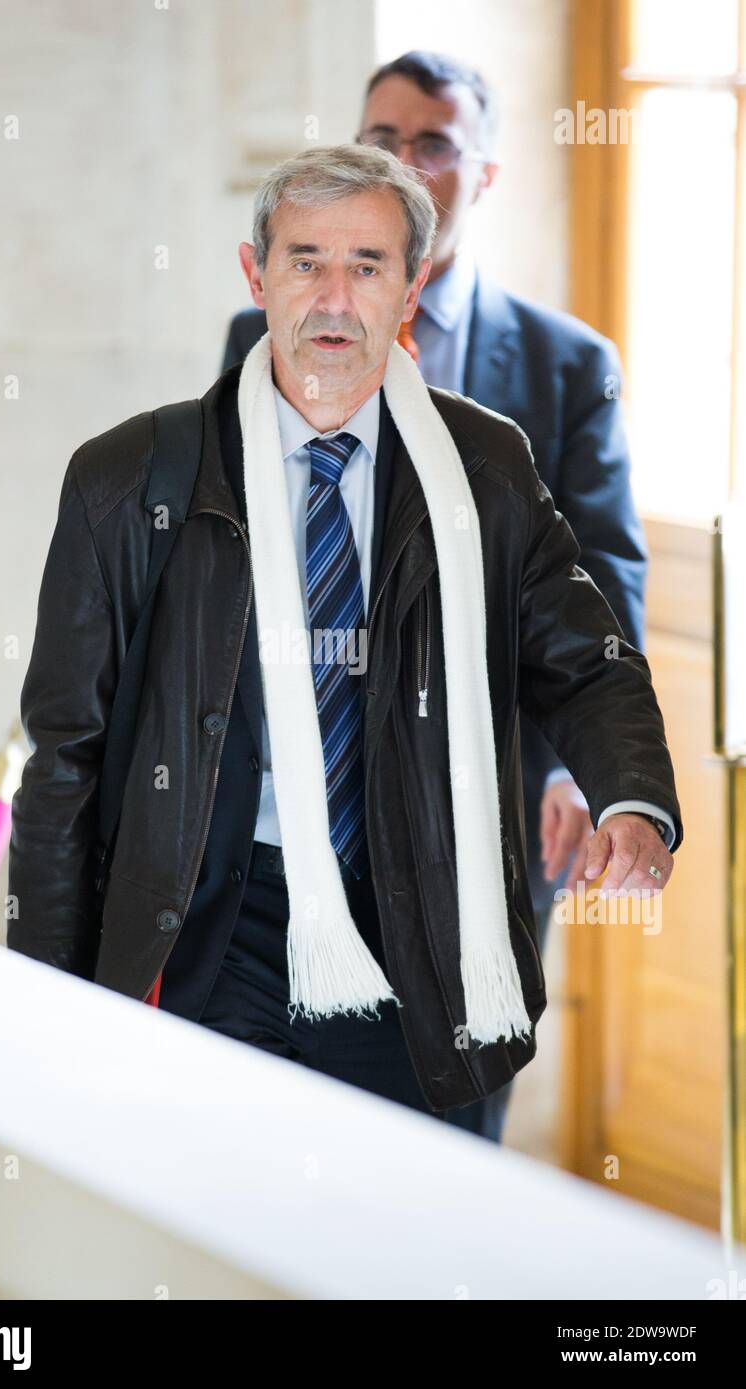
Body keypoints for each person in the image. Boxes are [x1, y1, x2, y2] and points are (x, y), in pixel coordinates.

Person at [9, 144, 681, 1143]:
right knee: (216, 1216)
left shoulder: (482, 466)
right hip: (205, 922)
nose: (333, 297)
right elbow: (66, 755)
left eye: (366, 265)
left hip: (416, 920)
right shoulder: (130, 478)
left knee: (392, 1233)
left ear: (411, 285)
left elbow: (582, 660)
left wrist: (628, 795)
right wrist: (48, 996)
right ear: (255, 276)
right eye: (304, 260)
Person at [220, 52, 652, 1139]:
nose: (402, 162)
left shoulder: (561, 365)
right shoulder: (255, 339)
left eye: (432, 146)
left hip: (481, 800)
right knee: (273, 1106)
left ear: (485, 173)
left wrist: (571, 768)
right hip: (299, 810)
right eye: (382, 137)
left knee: (448, 1102)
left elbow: (598, 576)